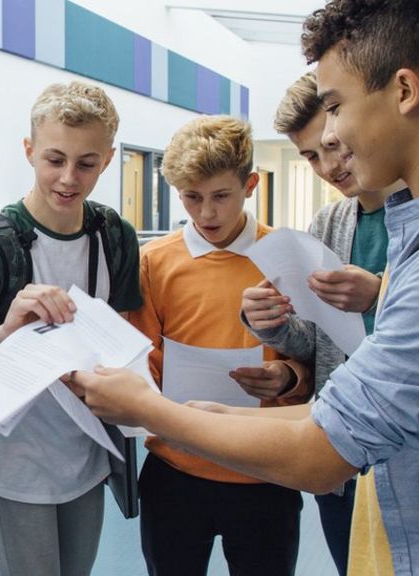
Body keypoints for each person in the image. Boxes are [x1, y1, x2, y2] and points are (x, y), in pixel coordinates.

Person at [71, 2, 419, 575]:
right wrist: (213, 410)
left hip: (279, 478)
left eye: (337, 109)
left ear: (404, 90)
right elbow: (328, 394)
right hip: (189, 470)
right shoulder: (381, 234)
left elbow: (322, 449)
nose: (334, 142)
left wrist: (160, 409)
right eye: (191, 198)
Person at [0, 81, 142, 576]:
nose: (69, 178)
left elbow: (129, 335)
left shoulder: (114, 236)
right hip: (16, 458)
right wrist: (8, 330)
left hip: (89, 452)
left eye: (87, 164)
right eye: (54, 159)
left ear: (108, 160)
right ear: (28, 151)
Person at [128, 115, 312, 576]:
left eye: (220, 196)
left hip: (266, 469)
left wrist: (287, 376)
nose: (206, 214)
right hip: (175, 470)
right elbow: (140, 362)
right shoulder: (153, 262)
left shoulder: (290, 255)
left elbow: (316, 355)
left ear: (250, 184)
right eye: (192, 197)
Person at [240, 71, 400, 576]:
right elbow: (315, 343)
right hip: (341, 456)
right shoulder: (327, 226)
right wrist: (269, 323)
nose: (328, 166)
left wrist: (378, 294)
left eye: (333, 146)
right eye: (310, 156)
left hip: (407, 453)